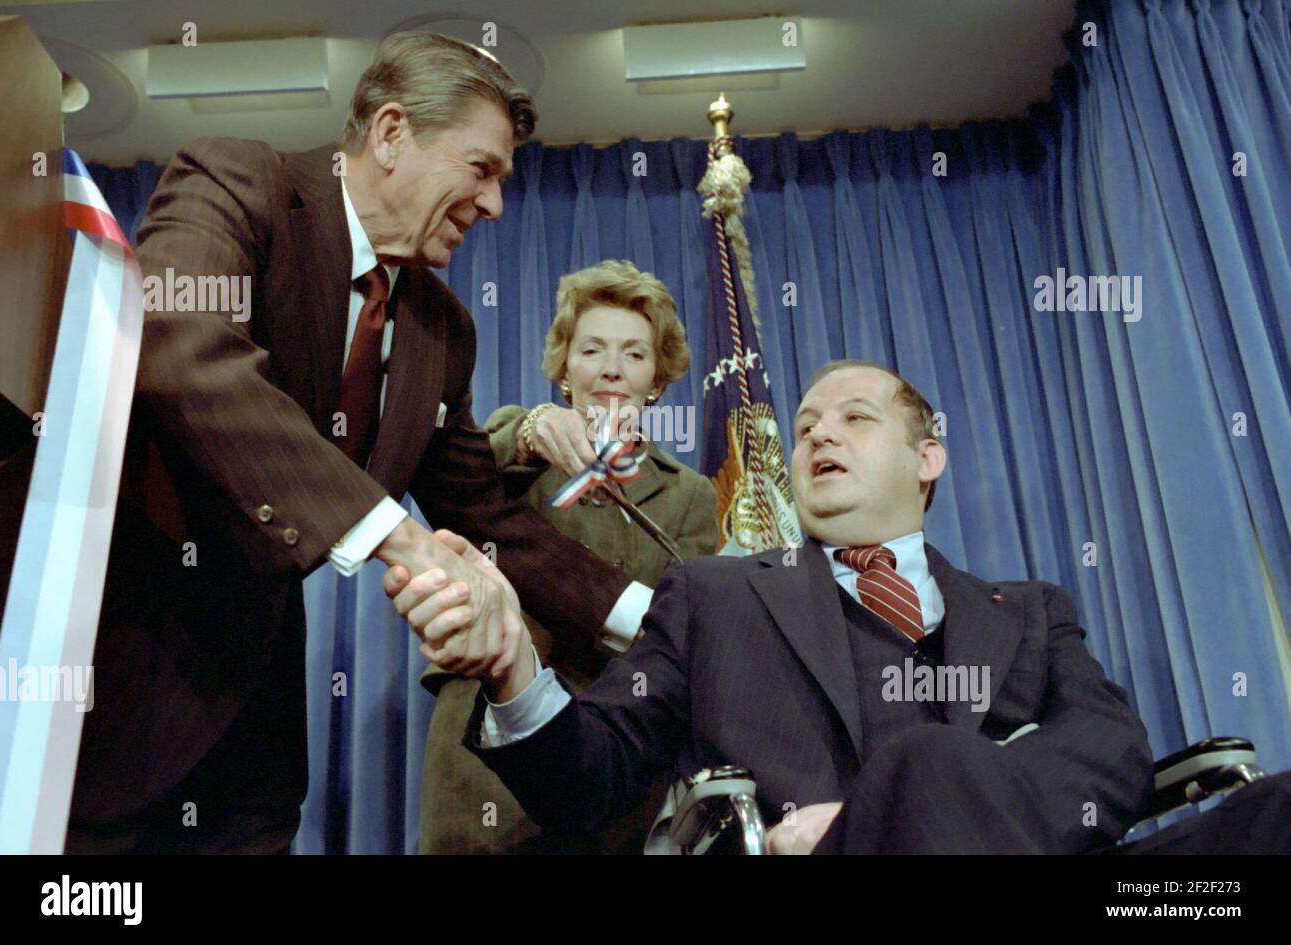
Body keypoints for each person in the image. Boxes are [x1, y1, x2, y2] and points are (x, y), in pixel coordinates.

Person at [65, 32, 649, 854]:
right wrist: (397, 534)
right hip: (111, 696)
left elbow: (492, 521)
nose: (494, 206)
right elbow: (179, 342)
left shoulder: (441, 331)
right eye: (481, 170)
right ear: (390, 134)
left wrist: (657, 622)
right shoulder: (239, 181)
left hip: (254, 745)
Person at [390, 359, 1158, 854]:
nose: (820, 429)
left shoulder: (1029, 609)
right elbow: (591, 779)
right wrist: (515, 668)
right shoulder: (712, 594)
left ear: (928, 458)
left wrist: (901, 822)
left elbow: (1112, 750)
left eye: (855, 416)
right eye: (804, 428)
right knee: (933, 762)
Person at [417, 261, 718, 853]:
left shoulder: (690, 494)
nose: (612, 368)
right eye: (593, 350)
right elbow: (459, 477)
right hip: (487, 736)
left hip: (614, 746)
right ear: (564, 368)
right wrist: (532, 430)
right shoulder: (516, 442)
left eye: (634, 354)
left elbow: (678, 633)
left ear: (656, 378)